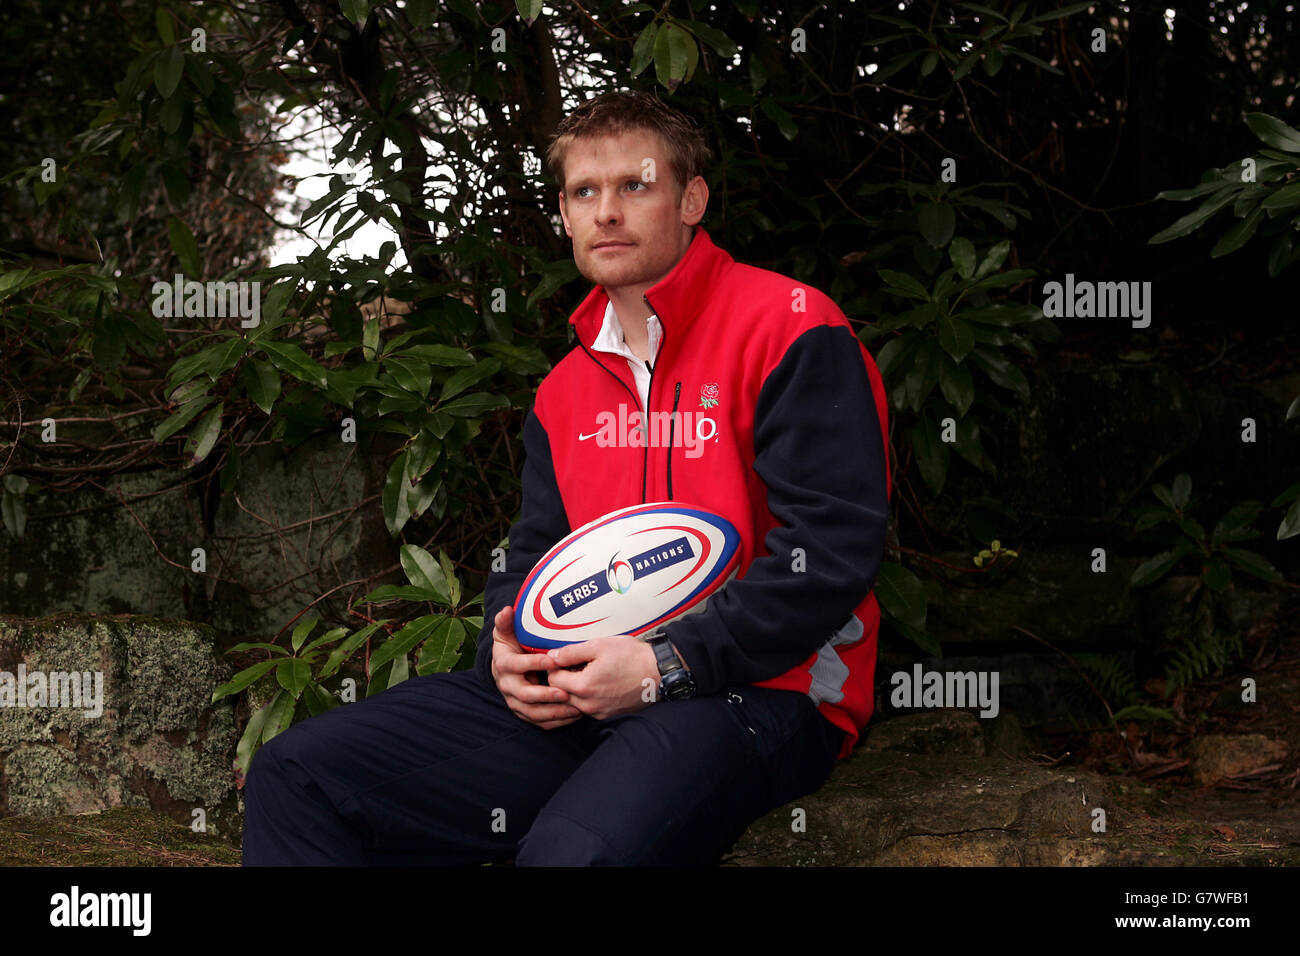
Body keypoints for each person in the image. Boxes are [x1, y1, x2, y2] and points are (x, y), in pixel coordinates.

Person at [241, 90, 891, 866]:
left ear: (691, 199)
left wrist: (664, 666)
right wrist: (508, 649)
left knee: (570, 854)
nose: (607, 212)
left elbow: (827, 554)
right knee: (298, 773)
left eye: (635, 185)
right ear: (564, 212)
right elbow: (533, 556)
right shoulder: (564, 390)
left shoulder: (790, 326)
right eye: (586, 191)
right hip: (582, 698)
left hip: (761, 695)